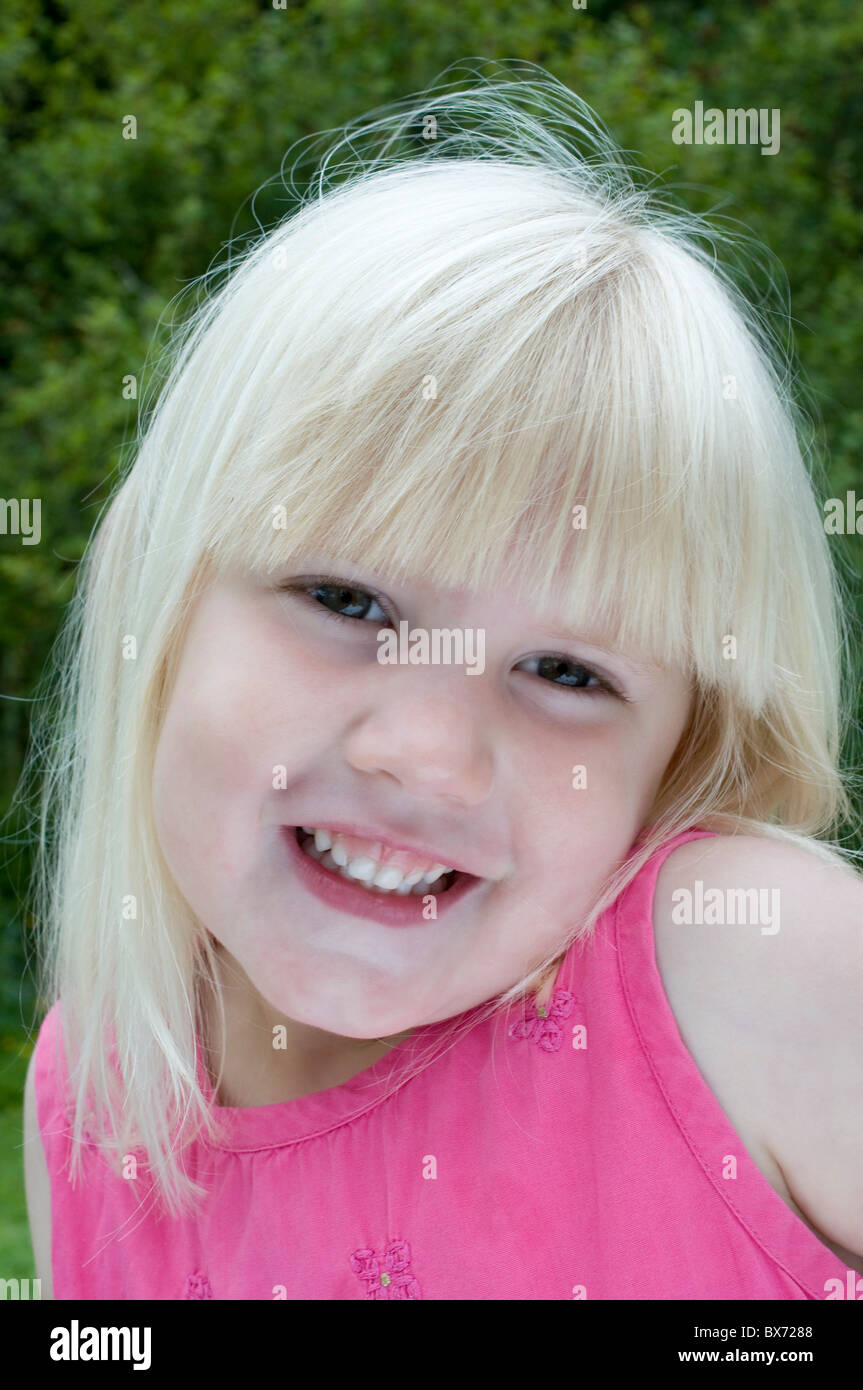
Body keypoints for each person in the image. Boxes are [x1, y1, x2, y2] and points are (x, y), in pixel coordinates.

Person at [21, 59, 863, 1300]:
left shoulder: (743, 968)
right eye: (347, 600)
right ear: (164, 596)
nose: (426, 751)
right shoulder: (98, 1103)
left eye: (565, 671)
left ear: (677, 756)